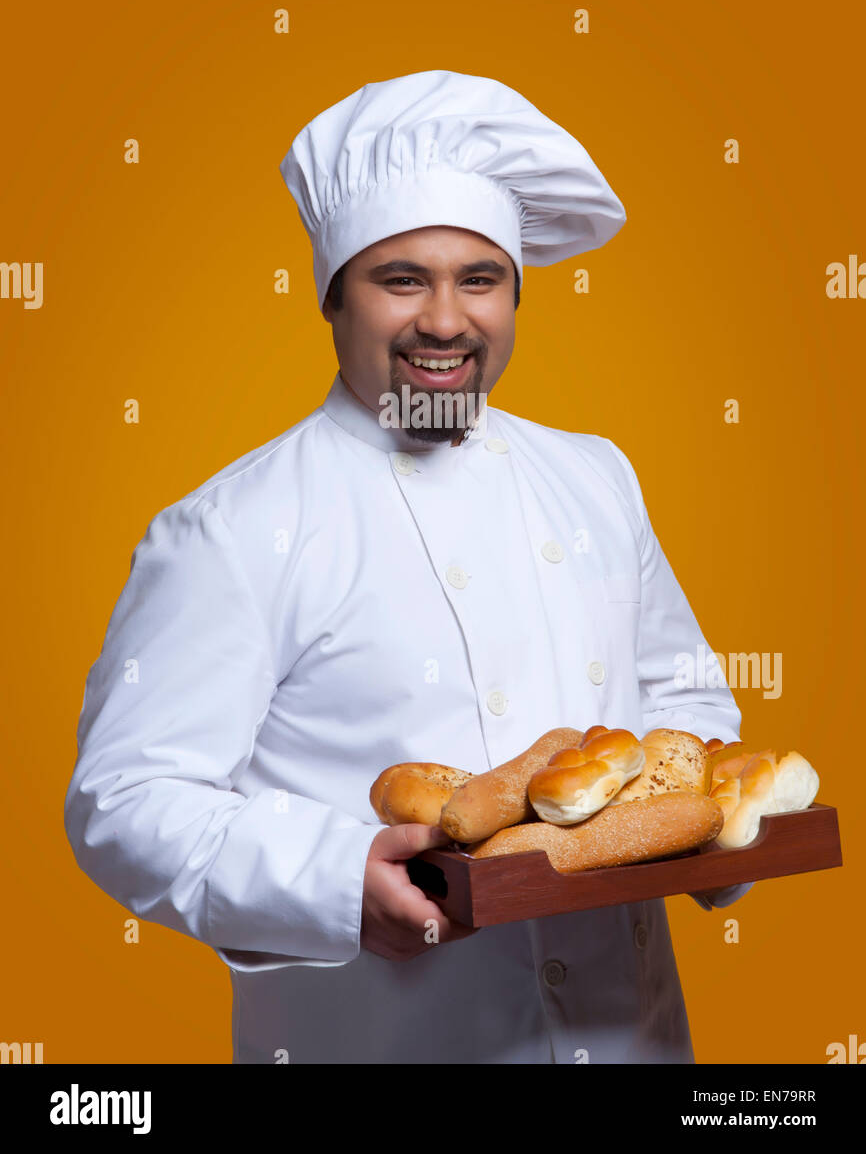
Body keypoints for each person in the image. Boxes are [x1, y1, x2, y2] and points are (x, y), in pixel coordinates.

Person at [64, 69, 752, 1064]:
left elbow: (682, 691)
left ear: (513, 295)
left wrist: (701, 822)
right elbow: (124, 801)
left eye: (478, 279)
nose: (443, 321)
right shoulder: (232, 527)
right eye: (400, 280)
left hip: (629, 1039)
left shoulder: (594, 477)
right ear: (332, 298)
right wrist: (333, 879)